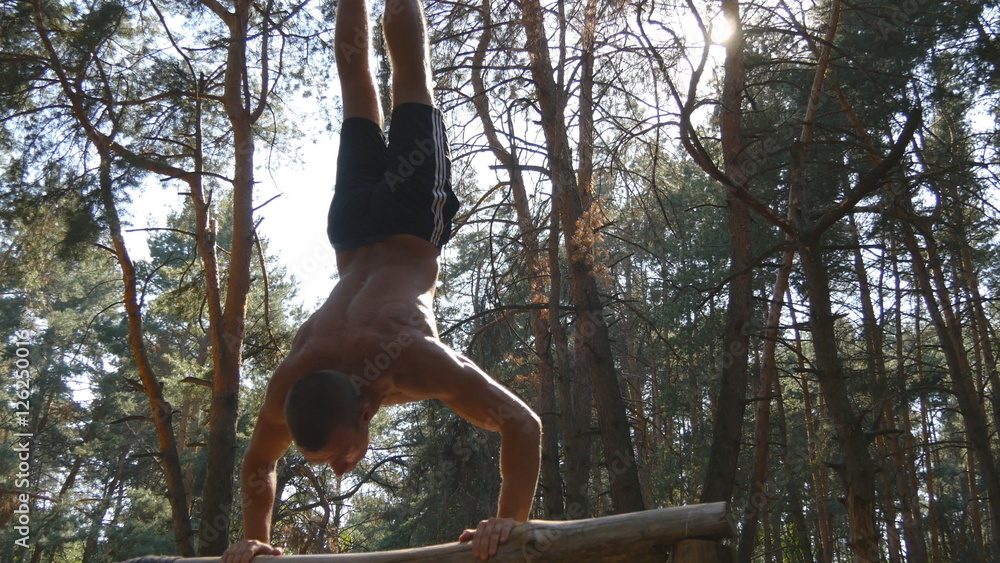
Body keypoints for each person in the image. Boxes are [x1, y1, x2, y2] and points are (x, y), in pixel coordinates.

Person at [219, 1, 542, 562]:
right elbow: (260, 462)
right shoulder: (294, 378)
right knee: (356, 88)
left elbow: (524, 423)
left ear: (364, 412)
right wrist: (255, 542)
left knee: (411, 74)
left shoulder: (415, 361)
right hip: (349, 230)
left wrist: (507, 524)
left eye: (340, 455)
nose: (344, 470)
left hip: (412, 220)